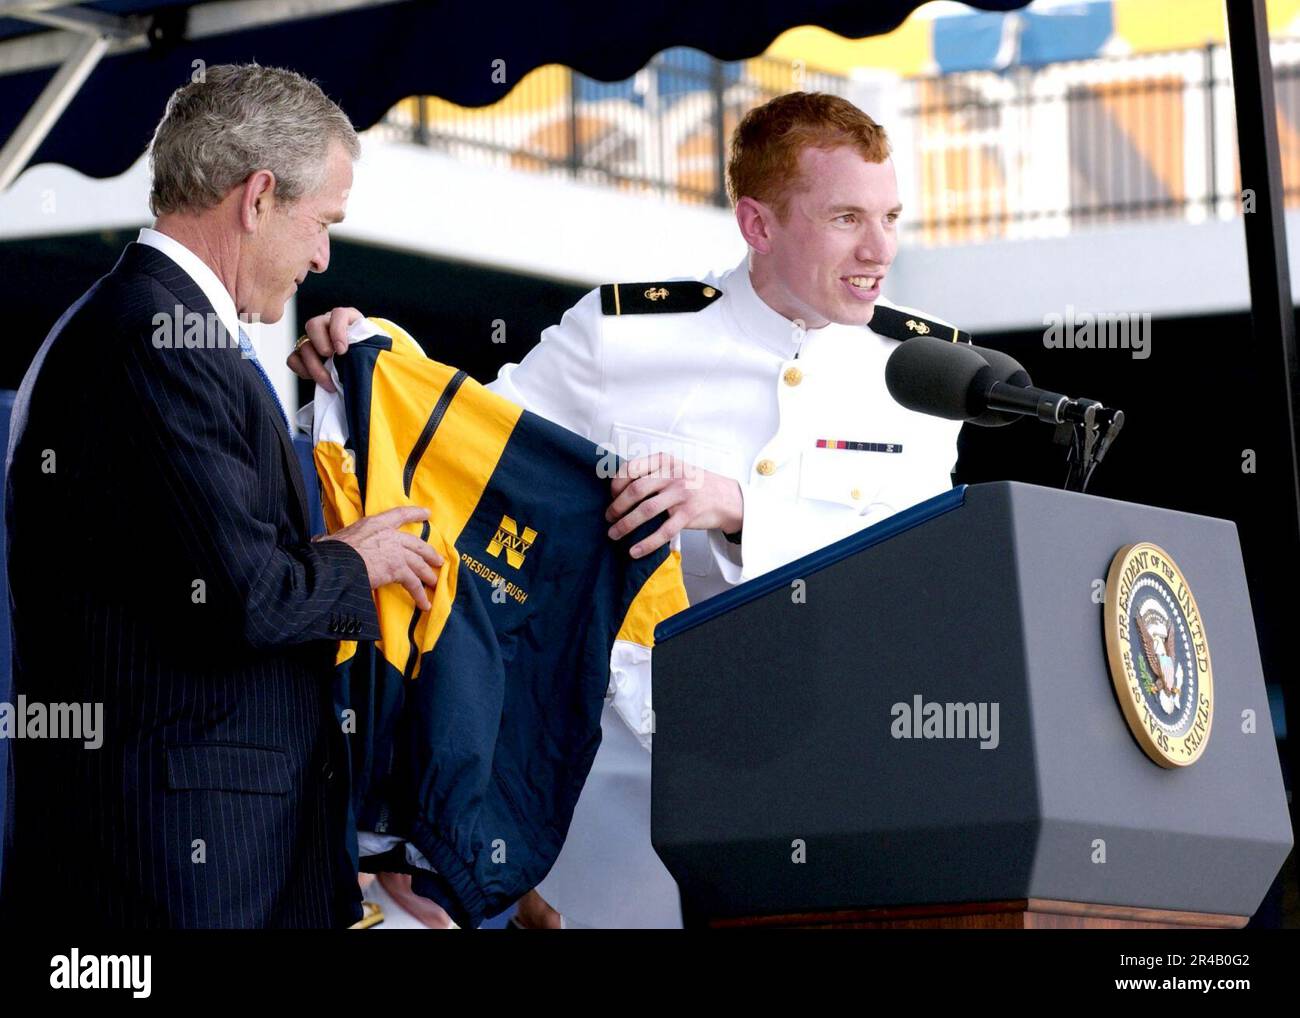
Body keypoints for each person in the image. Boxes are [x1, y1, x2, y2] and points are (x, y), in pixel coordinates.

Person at [289, 91, 965, 928]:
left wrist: (743, 509)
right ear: (758, 224)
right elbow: (473, 463)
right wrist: (370, 357)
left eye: (892, 216)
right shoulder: (625, 337)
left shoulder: (923, 373)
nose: (880, 249)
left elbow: (922, 569)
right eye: (847, 218)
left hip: (829, 781)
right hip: (618, 794)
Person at [1, 64, 442, 929]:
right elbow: (247, 595)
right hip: (179, 877)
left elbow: (194, 563)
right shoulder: (160, 339)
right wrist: (360, 560)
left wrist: (326, 413)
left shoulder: (147, 323)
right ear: (258, 197)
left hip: (182, 864)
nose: (323, 257)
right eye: (322, 225)